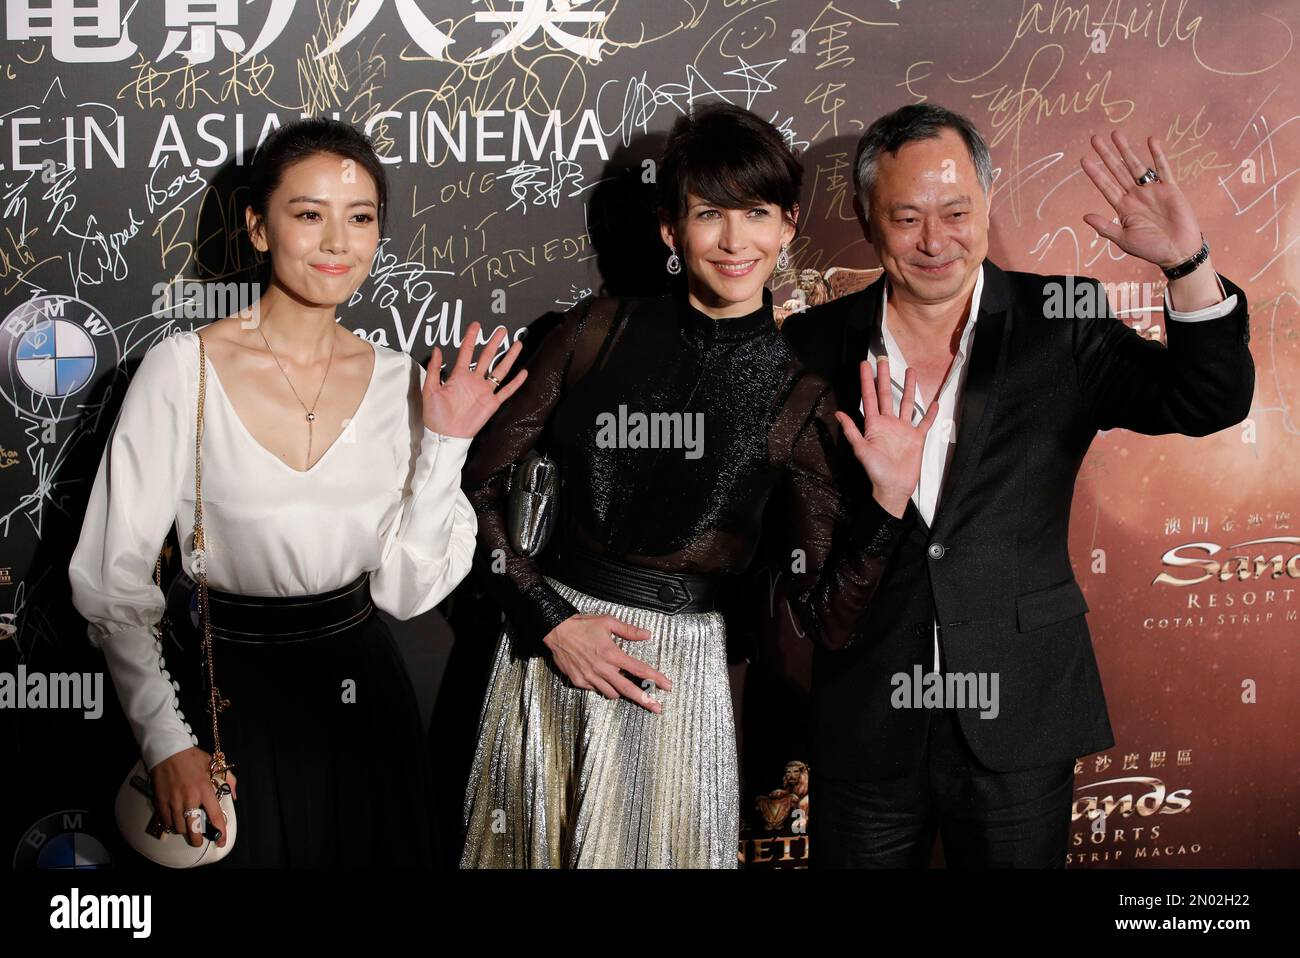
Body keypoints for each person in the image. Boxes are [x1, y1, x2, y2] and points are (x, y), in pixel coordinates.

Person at [458, 103, 935, 869]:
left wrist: (887, 501)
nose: (734, 240)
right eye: (710, 213)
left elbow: (829, 620)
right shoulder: (593, 331)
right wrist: (551, 619)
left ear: (787, 226)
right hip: (545, 655)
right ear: (671, 230)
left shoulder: (800, 395)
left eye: (755, 213)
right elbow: (478, 488)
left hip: (671, 680)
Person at [780, 103, 1255, 868]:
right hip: (867, 723)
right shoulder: (808, 344)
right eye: (906, 217)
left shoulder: (1059, 320)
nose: (935, 241)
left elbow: (1209, 400)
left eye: (956, 211)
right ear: (869, 221)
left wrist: (1187, 263)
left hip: (1020, 716)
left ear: (989, 202)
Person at [69, 117, 526, 867]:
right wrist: (165, 742)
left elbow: (407, 593)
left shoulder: (400, 383)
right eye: (308, 215)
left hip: (363, 701)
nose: (337, 242)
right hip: (220, 698)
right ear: (257, 227)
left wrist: (446, 442)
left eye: (360, 218)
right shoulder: (181, 372)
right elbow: (111, 582)